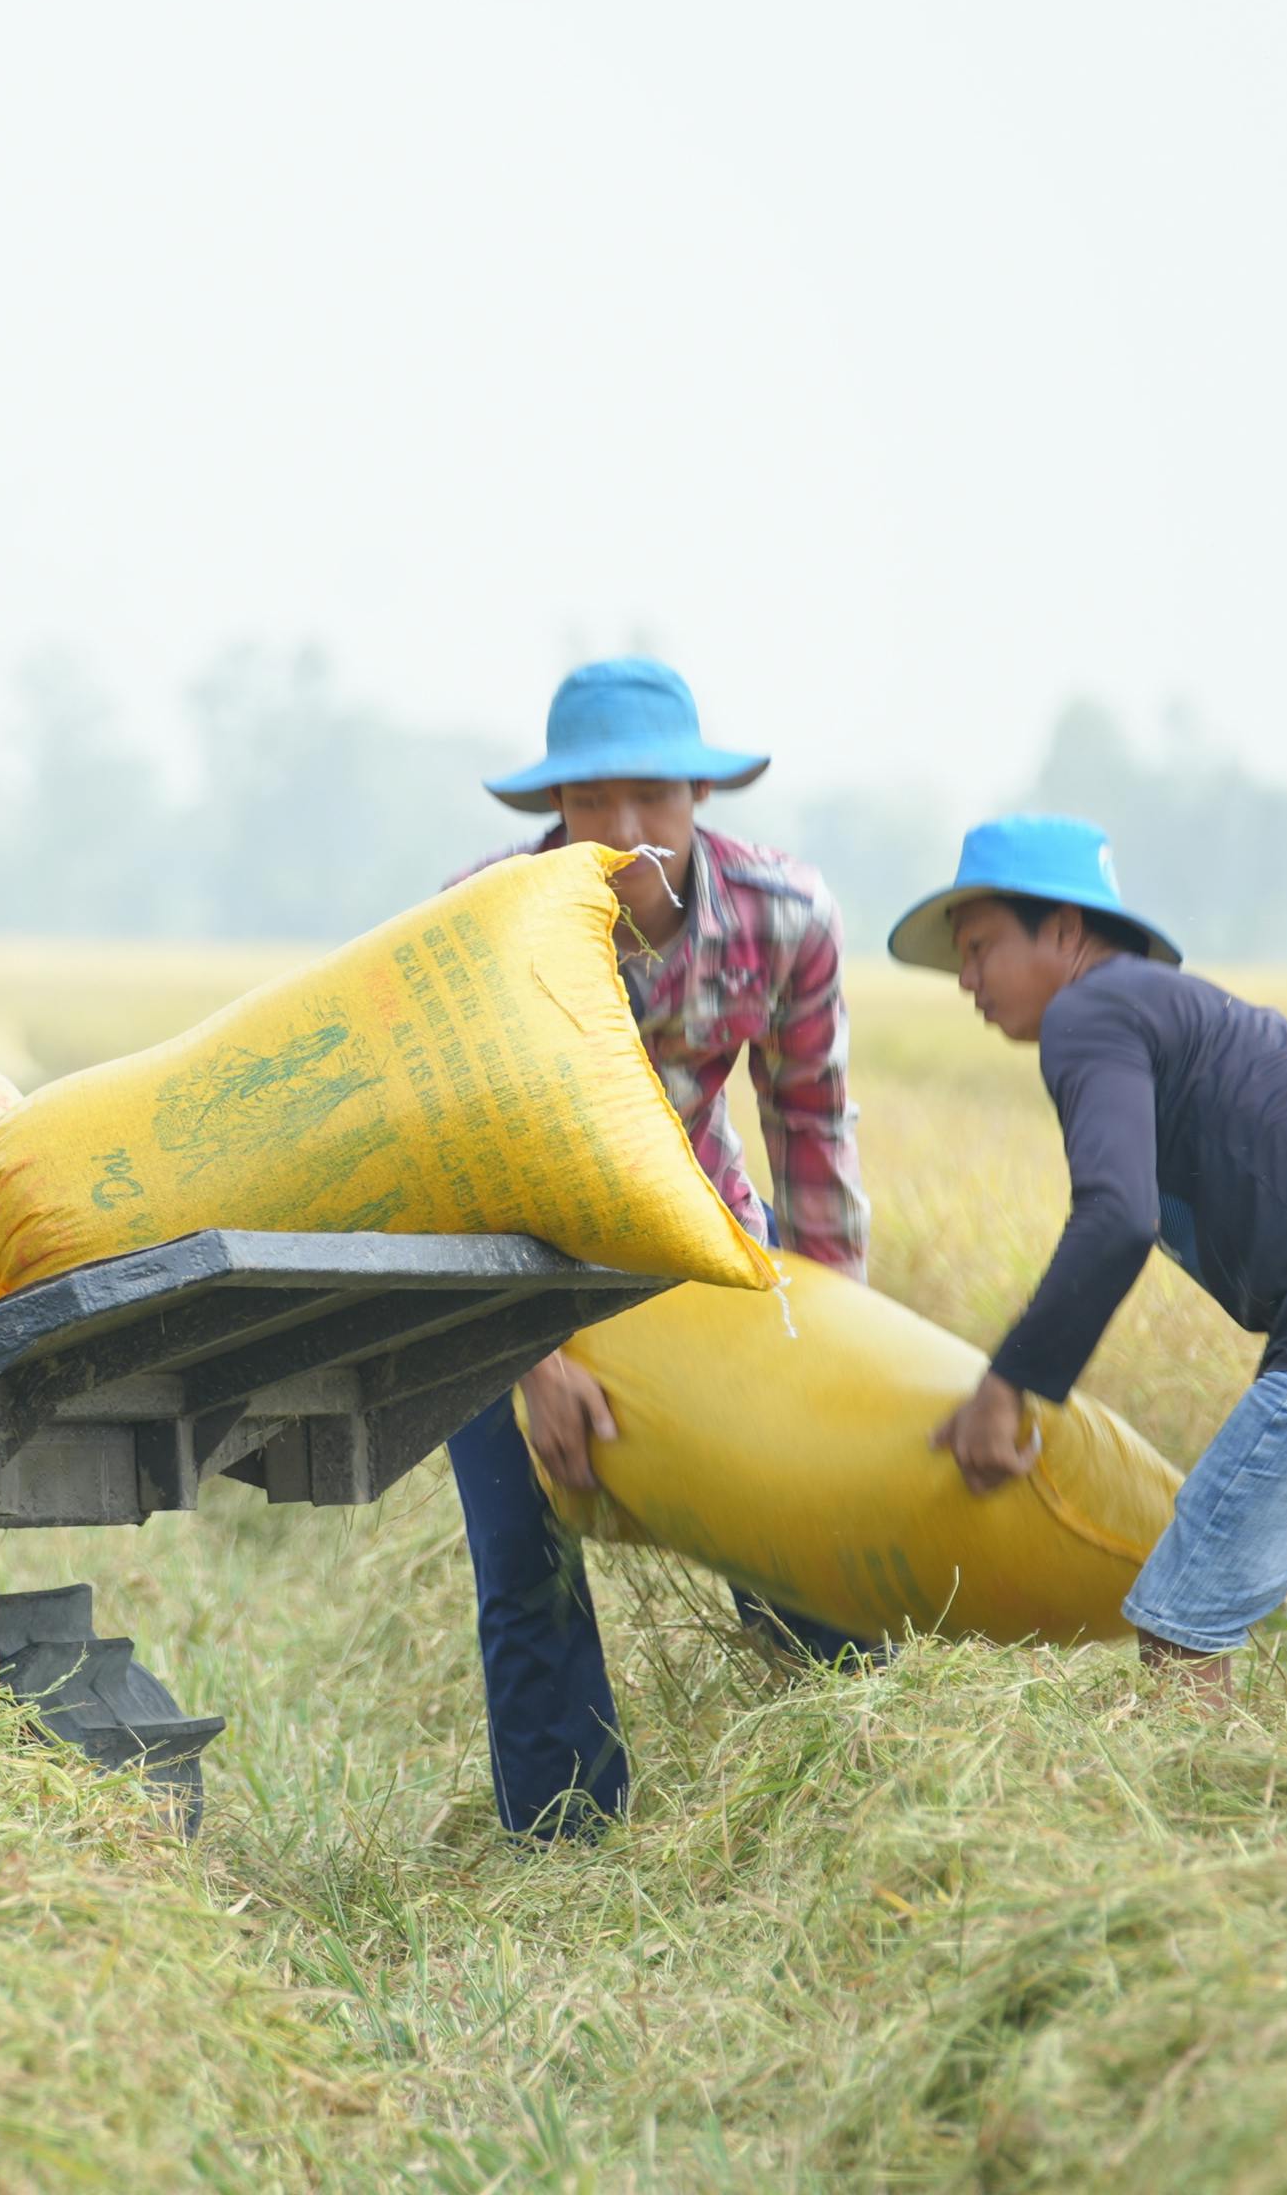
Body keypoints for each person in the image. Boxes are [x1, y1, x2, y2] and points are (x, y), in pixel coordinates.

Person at [891, 815, 1287, 1708]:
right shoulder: (1175, 1016)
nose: (966, 980)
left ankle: (1198, 1846)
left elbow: (1117, 1218)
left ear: (1068, 933)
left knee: (1179, 1617)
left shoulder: (1094, 1007)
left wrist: (1011, 1384)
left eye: (981, 947)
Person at [447, 657, 868, 1837]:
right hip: (515, 1256)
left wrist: (827, 1350)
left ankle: (839, 1788)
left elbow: (814, 1140)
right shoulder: (480, 933)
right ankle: (569, 1849)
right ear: (555, 816)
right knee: (526, 1555)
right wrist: (535, 1364)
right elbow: (457, 1169)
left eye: (654, 801)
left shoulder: (786, 918)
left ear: (699, 802)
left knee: (796, 1519)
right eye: (591, 806)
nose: (626, 835)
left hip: (707, 1236)